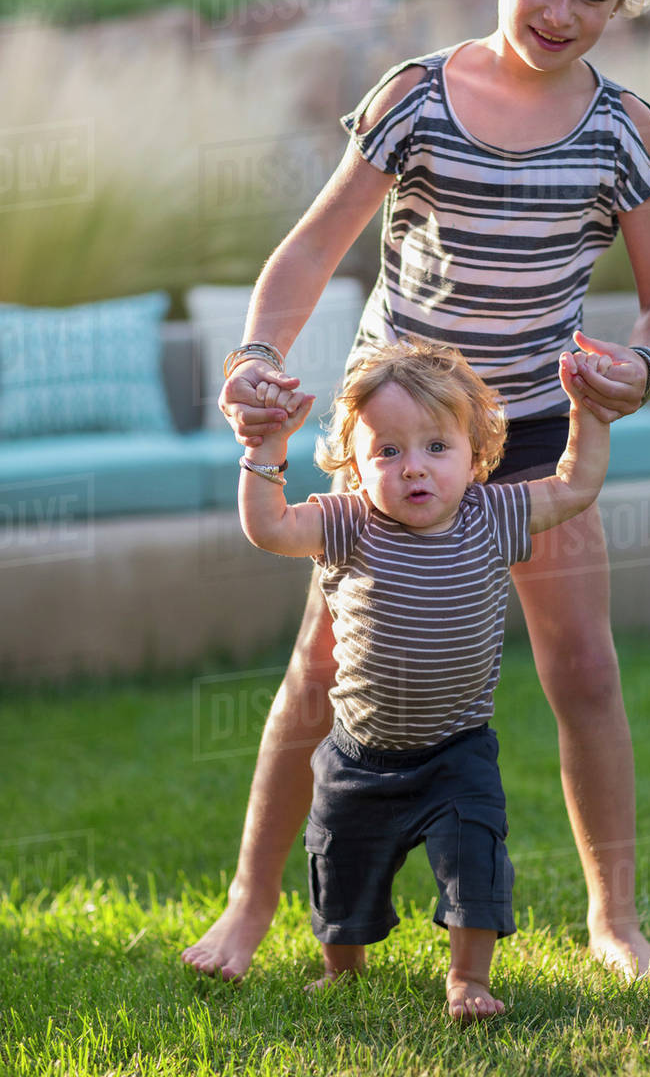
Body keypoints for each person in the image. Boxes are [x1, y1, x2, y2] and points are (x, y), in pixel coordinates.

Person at [182, 0, 650, 983]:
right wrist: (255, 360)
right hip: (402, 432)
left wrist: (637, 365)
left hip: (534, 432)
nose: (557, 12)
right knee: (320, 676)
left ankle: (615, 922)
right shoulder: (415, 97)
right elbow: (308, 254)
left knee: (584, 672)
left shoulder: (624, 132)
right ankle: (248, 908)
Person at [236, 336, 610, 1019]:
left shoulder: (493, 515)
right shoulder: (349, 523)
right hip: (358, 755)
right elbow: (267, 527)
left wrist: (589, 413)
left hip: (456, 751)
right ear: (354, 460)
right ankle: (341, 968)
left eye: (438, 447)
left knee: (476, 857)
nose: (416, 469)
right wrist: (266, 451)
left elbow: (577, 485)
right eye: (389, 451)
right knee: (340, 869)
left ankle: (469, 979)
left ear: (477, 455)